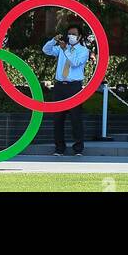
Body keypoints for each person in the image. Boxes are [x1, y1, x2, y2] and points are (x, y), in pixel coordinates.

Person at [43, 22, 90, 156]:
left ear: (80, 37)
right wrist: (54, 40)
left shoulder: (83, 51)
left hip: (74, 87)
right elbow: (46, 50)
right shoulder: (62, 47)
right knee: (58, 119)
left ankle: (78, 149)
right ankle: (59, 149)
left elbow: (75, 63)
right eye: (69, 34)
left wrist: (65, 50)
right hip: (59, 86)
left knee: (76, 118)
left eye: (74, 34)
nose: (71, 36)